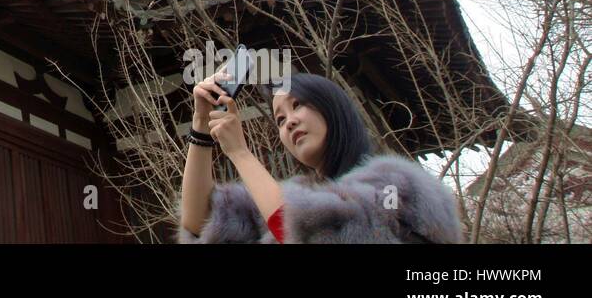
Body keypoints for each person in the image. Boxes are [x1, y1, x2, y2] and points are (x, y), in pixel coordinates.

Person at [179, 70, 463, 243]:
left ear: (332, 107)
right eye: (279, 119)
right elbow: (199, 221)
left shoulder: (397, 187)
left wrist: (240, 153)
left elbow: (314, 233)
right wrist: (201, 126)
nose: (288, 122)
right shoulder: (291, 197)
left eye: (297, 105)